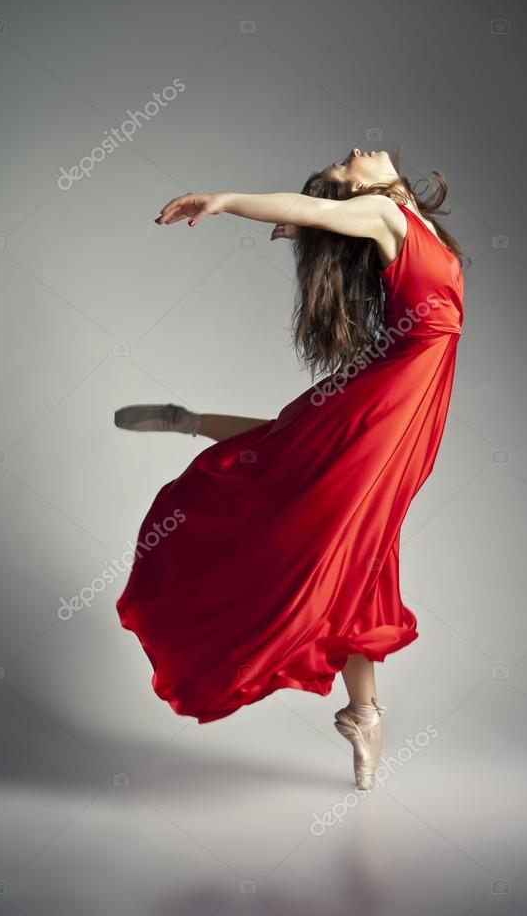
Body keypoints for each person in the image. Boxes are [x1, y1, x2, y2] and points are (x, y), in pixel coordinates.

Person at [114, 146, 465, 791]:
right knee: (328, 514)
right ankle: (364, 711)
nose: (352, 154)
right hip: (392, 398)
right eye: (343, 171)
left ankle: (363, 711)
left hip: (404, 393)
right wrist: (222, 202)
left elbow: (315, 216)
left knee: (340, 516)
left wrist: (315, 223)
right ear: (354, 195)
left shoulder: (410, 219)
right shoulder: (385, 215)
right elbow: (304, 205)